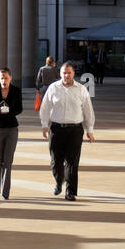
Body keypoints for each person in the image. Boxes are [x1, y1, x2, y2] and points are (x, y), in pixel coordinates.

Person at [39, 61, 96, 201]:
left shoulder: (81, 89)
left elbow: (88, 110)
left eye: (69, 73)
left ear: (73, 74)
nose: (66, 75)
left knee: (72, 162)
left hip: (75, 130)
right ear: (60, 74)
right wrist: (44, 124)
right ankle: (59, 181)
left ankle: (70, 192)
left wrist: (90, 129)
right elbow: (45, 107)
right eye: (64, 72)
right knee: (55, 161)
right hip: (56, 129)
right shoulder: (53, 88)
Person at [0, 66, 23, 200]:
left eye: (6, 78)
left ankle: (5, 191)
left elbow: (19, 108)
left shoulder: (16, 91)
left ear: (10, 78)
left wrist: (9, 111)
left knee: (8, 161)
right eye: (2, 78)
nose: (4, 80)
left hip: (11, 128)